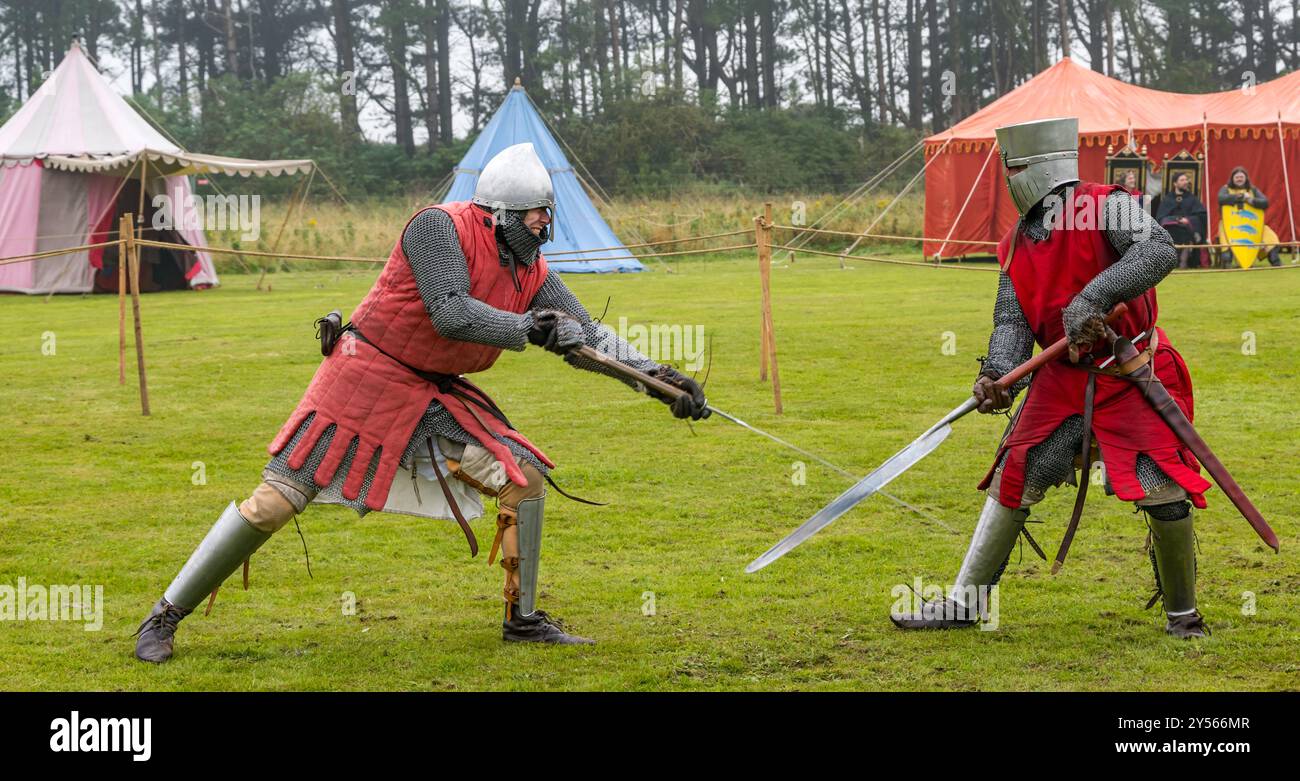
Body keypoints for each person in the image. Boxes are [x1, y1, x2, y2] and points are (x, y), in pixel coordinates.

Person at [134, 143, 710, 662]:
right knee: (274, 504)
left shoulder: (529, 268)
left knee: (524, 477)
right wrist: (528, 328)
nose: (544, 223)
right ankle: (164, 615)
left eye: (546, 212)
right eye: (535, 213)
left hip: (431, 393)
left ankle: (523, 619)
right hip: (362, 379)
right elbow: (451, 311)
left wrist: (659, 379)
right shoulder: (437, 230)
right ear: (501, 215)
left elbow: (583, 333)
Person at [890, 117, 1213, 638]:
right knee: (1016, 474)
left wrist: (1094, 297)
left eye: (1014, 168)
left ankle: (1183, 614)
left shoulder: (1104, 203)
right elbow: (1013, 322)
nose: (1010, 177)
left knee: (1162, 488)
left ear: (1038, 168)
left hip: (1130, 369)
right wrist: (999, 374)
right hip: (1062, 377)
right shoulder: (1017, 241)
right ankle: (964, 603)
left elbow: (1156, 249)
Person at [1216, 166, 1282, 267]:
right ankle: (1227, 262)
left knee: (1271, 238)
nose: (1239, 179)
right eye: (1237, 177)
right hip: (1229, 224)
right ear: (1232, 178)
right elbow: (1221, 199)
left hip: (1252, 224)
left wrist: (1251, 200)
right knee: (1226, 241)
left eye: (1241, 177)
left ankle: (1275, 261)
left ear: (1246, 178)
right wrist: (1240, 197)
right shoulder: (1226, 189)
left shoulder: (1253, 190)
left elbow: (1265, 202)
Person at [1155, 172, 1208, 268]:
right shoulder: (1168, 199)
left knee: (1186, 234)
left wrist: (1189, 220)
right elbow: (1160, 217)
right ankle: (1170, 261)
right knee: (1170, 231)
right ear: (1175, 183)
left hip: (1187, 229)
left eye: (1186, 180)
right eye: (1182, 180)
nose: (1185, 182)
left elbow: (1201, 215)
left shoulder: (1192, 199)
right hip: (1171, 230)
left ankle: (1184, 262)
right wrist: (1176, 219)